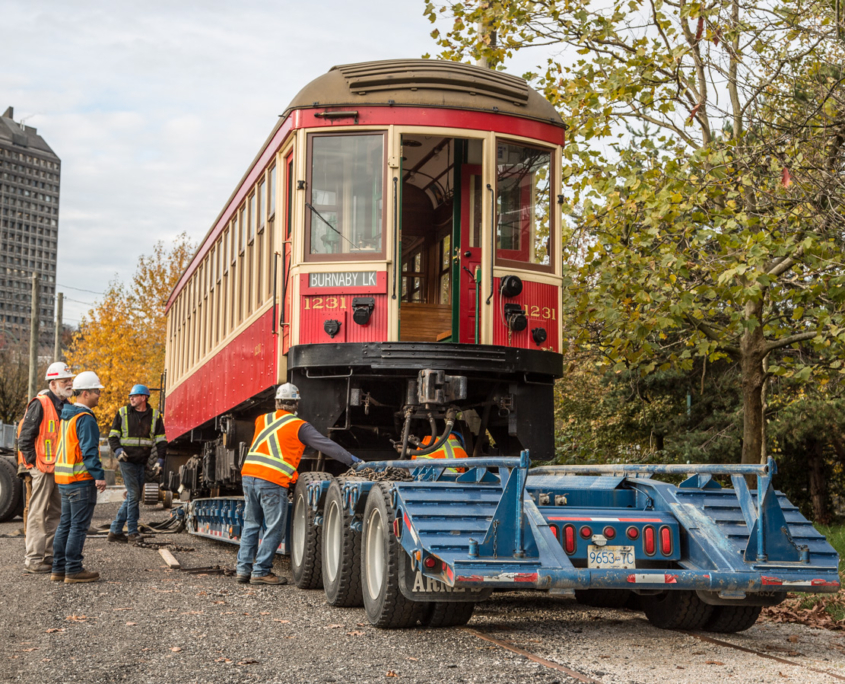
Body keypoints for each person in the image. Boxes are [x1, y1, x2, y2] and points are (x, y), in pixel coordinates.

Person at [236, 383, 362, 585]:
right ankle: (260, 571)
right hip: (271, 479)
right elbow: (326, 445)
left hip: (249, 475)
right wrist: (353, 461)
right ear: (296, 404)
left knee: (251, 524)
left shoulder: (262, 419)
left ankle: (243, 570)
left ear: (277, 401)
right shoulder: (299, 426)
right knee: (274, 527)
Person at [16, 362, 75, 573]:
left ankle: (49, 556)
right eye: (65, 381)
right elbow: (25, 438)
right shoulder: (40, 403)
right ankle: (33, 559)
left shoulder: (66, 405)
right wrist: (34, 465)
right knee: (37, 513)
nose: (69, 383)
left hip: (60, 469)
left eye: (70, 380)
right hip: (42, 468)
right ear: (53, 383)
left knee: (56, 513)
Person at [52, 371, 108, 584]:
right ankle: (73, 569)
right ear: (85, 393)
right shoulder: (85, 419)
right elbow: (89, 451)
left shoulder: (68, 415)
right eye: (96, 391)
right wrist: (99, 475)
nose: (98, 395)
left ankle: (58, 569)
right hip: (81, 480)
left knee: (65, 524)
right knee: (77, 526)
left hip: (65, 481)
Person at [106, 384, 166, 543]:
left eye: (135, 395)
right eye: (130, 396)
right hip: (127, 462)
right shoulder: (123, 413)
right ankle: (132, 532)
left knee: (134, 497)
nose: (131, 398)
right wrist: (118, 450)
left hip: (142, 462)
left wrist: (160, 459)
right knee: (133, 495)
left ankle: (115, 531)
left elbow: (161, 441)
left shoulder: (155, 416)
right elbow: (112, 437)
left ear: (144, 397)